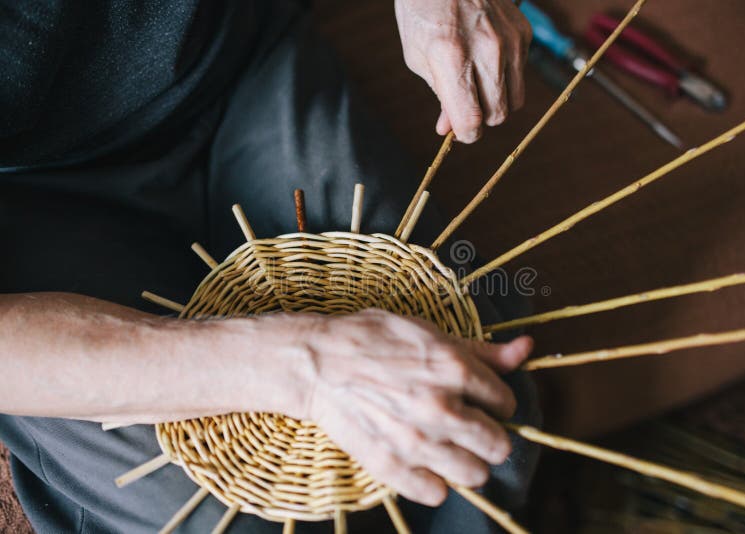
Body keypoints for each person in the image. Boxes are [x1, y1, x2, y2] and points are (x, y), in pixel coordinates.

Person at [0, 1, 538, 531]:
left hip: (233, 58)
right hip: (27, 198)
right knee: (232, 520)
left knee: (473, 394)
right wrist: (302, 364)